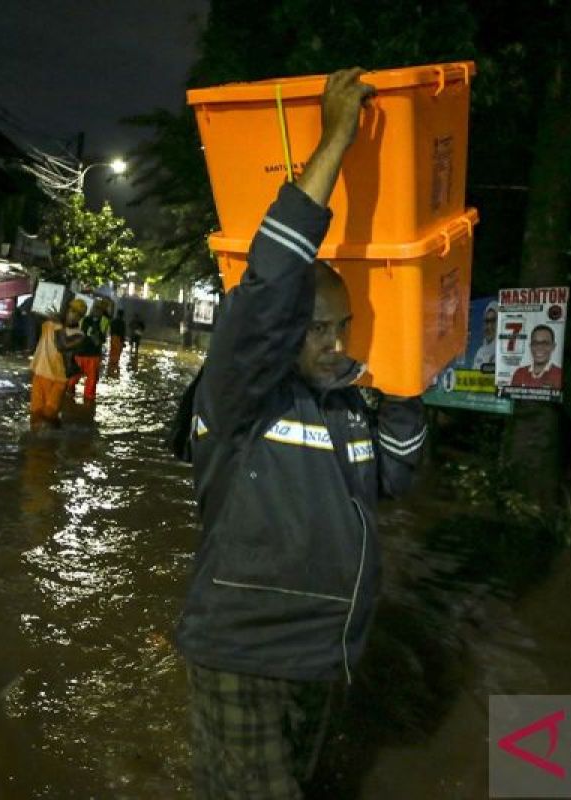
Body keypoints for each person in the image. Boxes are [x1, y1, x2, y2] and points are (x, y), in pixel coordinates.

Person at [176, 68, 427, 798]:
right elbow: (271, 284)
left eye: (343, 327)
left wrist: (407, 392)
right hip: (242, 651)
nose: (334, 342)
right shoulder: (239, 393)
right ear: (285, 331)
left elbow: (396, 480)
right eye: (317, 328)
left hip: (322, 656)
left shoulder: (351, 402)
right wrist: (336, 139)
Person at [29, 298, 85, 429]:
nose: (73, 315)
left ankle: (55, 434)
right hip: (40, 373)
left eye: (78, 314)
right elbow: (32, 313)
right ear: (67, 310)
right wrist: (41, 301)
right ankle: (37, 444)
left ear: (81, 317)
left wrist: (59, 324)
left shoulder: (79, 335)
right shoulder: (50, 323)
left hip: (58, 379)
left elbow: (62, 345)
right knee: (36, 414)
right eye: (72, 311)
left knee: (50, 414)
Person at [68, 298, 110, 401]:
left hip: (92, 356)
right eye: (95, 308)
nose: (96, 310)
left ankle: (85, 402)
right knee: (73, 380)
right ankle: (71, 396)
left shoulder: (105, 321)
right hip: (81, 354)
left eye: (99, 308)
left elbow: (102, 338)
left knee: (90, 383)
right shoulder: (83, 319)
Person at [472, 304, 498, 371]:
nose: (489, 327)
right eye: (487, 321)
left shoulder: (500, 351)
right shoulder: (480, 352)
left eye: (493, 321)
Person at [107, 308, 126, 377]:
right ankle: (115, 368)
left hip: (113, 338)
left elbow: (111, 330)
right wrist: (123, 341)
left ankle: (110, 368)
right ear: (122, 315)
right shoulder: (122, 322)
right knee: (117, 353)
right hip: (119, 338)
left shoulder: (113, 321)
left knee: (112, 351)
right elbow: (122, 332)